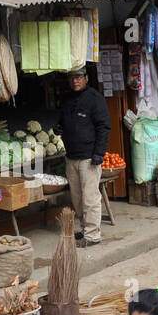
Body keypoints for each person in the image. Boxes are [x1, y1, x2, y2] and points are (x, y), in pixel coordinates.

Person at [58, 68, 110, 248]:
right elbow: (62, 121)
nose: (75, 81)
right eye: (72, 78)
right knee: (77, 199)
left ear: (86, 79)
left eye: (78, 77)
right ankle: (85, 228)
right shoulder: (66, 99)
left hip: (89, 157)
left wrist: (99, 153)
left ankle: (93, 235)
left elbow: (104, 127)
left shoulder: (95, 99)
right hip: (71, 156)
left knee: (90, 198)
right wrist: (59, 128)